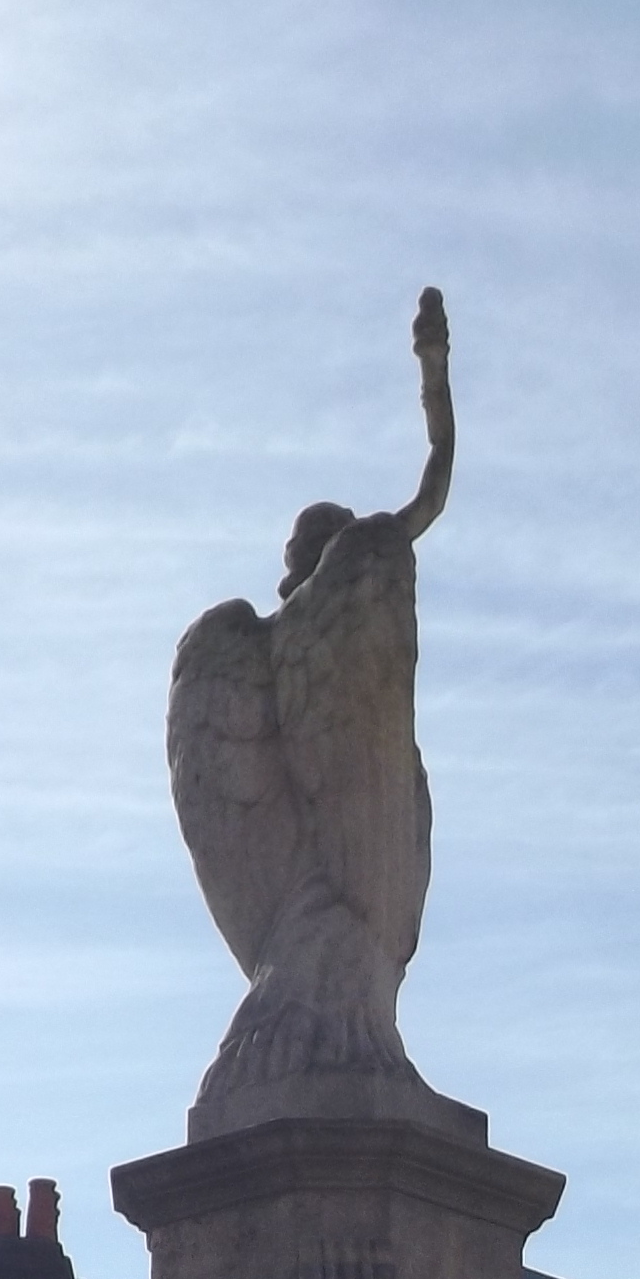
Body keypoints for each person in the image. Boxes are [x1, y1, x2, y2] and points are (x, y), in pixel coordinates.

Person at [167, 291, 457, 1112]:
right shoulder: (346, 602)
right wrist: (435, 375)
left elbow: (423, 502)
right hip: (342, 892)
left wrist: (434, 372)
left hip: (300, 909)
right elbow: (429, 496)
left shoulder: (256, 652)